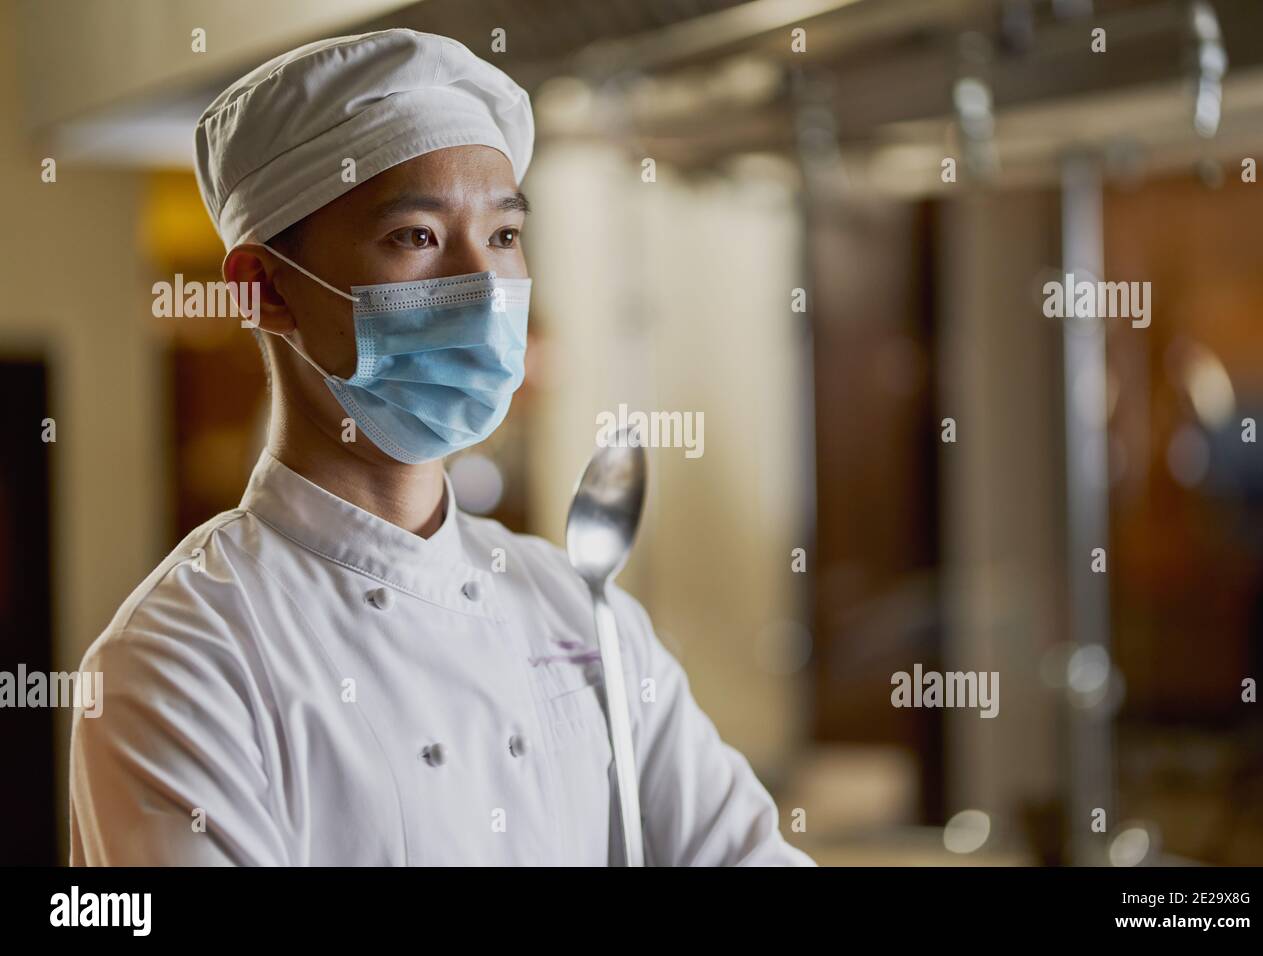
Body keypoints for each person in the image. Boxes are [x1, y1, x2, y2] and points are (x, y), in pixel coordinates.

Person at [68, 28, 814, 867]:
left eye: (501, 236)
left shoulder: (577, 610)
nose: (486, 288)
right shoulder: (183, 661)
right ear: (266, 289)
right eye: (417, 237)